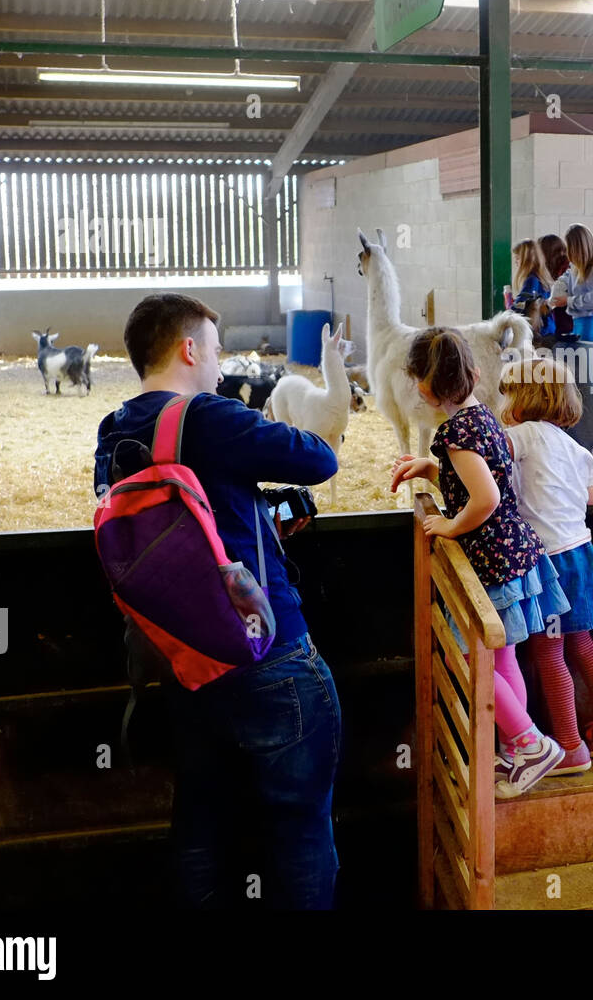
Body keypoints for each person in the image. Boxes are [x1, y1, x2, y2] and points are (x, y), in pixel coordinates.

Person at [94, 293, 341, 909]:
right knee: (300, 824)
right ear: (189, 348)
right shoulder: (210, 415)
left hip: (185, 662)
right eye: (215, 345)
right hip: (269, 655)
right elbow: (321, 458)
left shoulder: (115, 429)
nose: (220, 358)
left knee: (201, 823)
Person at [391, 328, 570, 798]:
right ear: (470, 374)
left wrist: (450, 525)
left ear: (424, 386)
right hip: (516, 551)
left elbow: (485, 496)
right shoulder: (481, 416)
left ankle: (530, 743)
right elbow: (482, 471)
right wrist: (435, 470)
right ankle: (516, 748)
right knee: (505, 653)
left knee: (475, 656)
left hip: (489, 557)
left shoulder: (454, 432)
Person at [499, 357, 593, 773]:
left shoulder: (518, 437)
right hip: (583, 555)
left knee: (549, 654)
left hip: (548, 563)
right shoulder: (575, 448)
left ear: (520, 397)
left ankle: (570, 745)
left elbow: (488, 465)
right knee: (583, 644)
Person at [550, 223, 593, 344]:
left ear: (578, 248)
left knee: (586, 360)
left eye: (570, 248)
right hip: (578, 320)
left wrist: (567, 301)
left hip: (592, 321)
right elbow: (567, 276)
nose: (568, 253)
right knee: (579, 360)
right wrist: (557, 288)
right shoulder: (577, 265)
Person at [511, 238, 555, 338]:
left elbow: (519, 306)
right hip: (549, 328)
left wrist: (505, 315)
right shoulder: (541, 277)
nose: (515, 261)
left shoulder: (532, 280)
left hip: (540, 332)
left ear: (527, 259)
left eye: (518, 258)